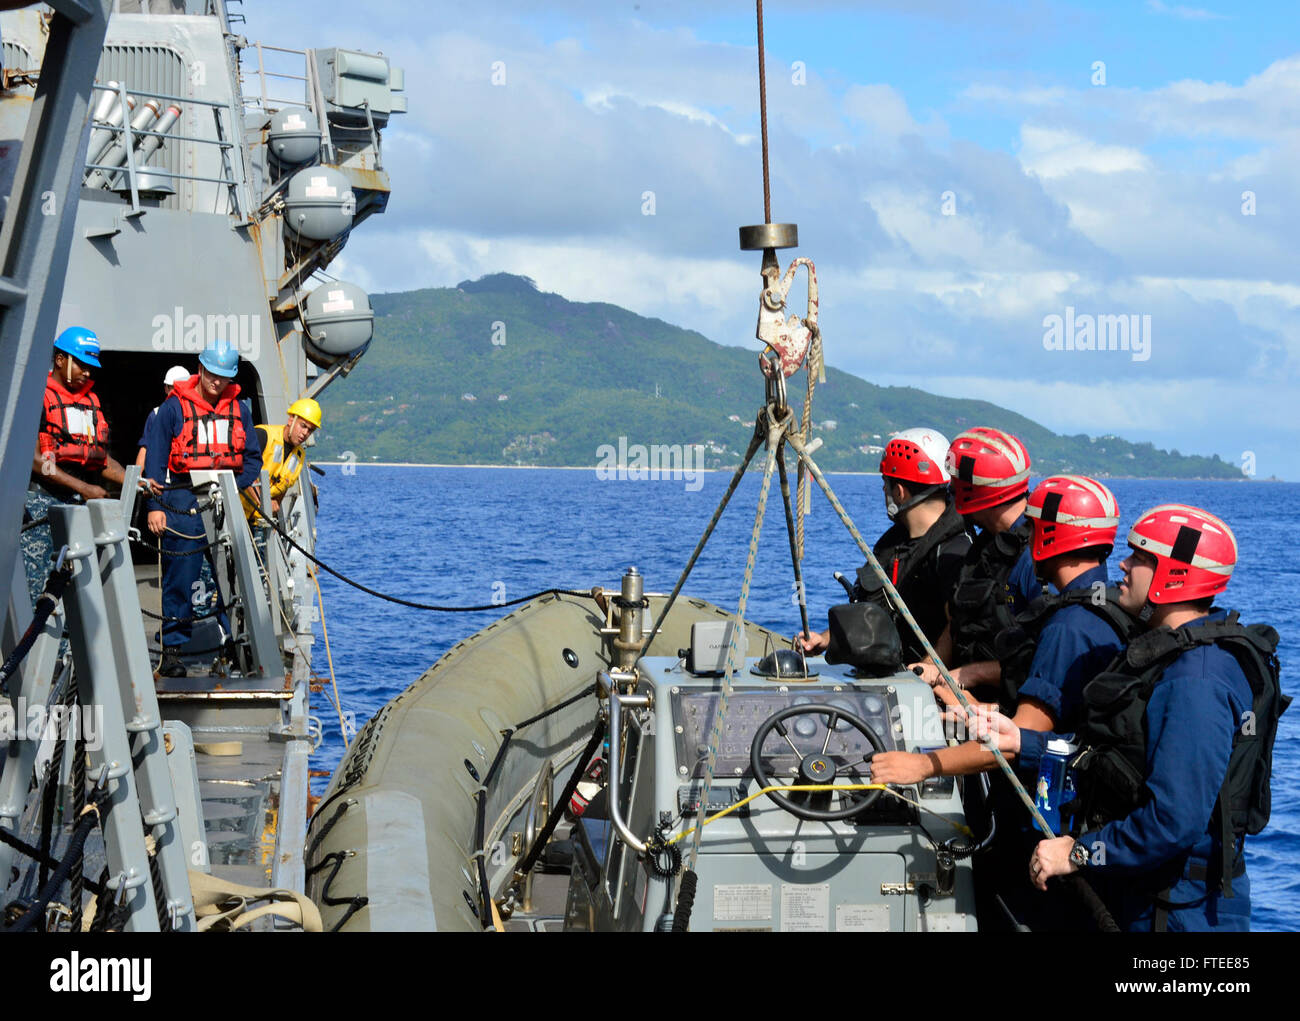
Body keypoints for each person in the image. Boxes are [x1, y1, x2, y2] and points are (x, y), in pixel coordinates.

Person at [979, 504, 1287, 931]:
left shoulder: (1195, 682)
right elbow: (1116, 761)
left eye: (1140, 558)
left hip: (1175, 914)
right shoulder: (1171, 656)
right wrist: (1023, 742)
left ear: (1173, 576)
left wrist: (1079, 853)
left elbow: (1172, 821)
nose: (1122, 565)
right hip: (1147, 900)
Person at [871, 475, 1138, 928]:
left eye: (1034, 530)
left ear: (1052, 535)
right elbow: (1068, 722)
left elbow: (1018, 742)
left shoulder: (1069, 626)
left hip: (1043, 827)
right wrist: (985, 711)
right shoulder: (1105, 610)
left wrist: (919, 766)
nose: (1027, 541)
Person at [799, 428, 970, 662]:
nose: (883, 490)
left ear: (899, 492)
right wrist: (827, 638)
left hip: (928, 686)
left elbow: (956, 627)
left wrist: (926, 672)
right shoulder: (893, 545)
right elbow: (873, 608)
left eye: (885, 482)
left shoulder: (955, 552)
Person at [143, 340, 261, 678]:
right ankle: (174, 651)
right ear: (201, 369)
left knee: (232, 574)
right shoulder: (174, 408)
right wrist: (155, 505)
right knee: (182, 576)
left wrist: (234, 486)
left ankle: (236, 645)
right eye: (212, 374)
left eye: (224, 377)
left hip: (223, 497)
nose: (216, 382)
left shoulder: (240, 410)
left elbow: (251, 458)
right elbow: (155, 459)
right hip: (182, 498)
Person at [910, 427, 1042, 707]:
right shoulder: (985, 548)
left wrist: (974, 673)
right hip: (969, 698)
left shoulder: (1036, 559)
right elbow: (956, 622)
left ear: (972, 492)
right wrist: (927, 670)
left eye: (956, 483)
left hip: (1011, 713)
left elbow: (1046, 660)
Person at [31, 326, 126, 502]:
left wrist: (133, 481)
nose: (87, 373)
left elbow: (100, 459)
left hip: (80, 501)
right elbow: (34, 459)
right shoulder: (37, 397)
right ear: (60, 360)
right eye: (81, 365)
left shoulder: (90, 402)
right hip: (42, 502)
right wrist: (82, 487)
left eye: (89, 367)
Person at [239, 397, 321, 520]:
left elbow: (281, 492)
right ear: (291, 420)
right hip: (236, 515)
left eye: (310, 430)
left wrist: (273, 518)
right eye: (303, 426)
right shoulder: (263, 435)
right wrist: (264, 501)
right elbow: (242, 468)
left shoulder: (299, 456)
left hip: (260, 522)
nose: (305, 433)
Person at [135, 364, 191, 472]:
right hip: (164, 479)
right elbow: (145, 448)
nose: (177, 393)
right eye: (174, 389)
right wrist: (137, 481)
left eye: (181, 388)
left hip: (190, 477)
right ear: (166, 388)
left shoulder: (198, 415)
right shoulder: (156, 414)